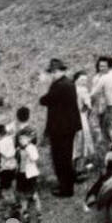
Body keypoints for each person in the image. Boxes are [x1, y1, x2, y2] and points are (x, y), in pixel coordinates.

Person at [37, 58, 81, 197]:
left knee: (60, 159)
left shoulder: (59, 85)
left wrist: (42, 85)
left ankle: (66, 189)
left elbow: (43, 100)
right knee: (65, 157)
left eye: (54, 71)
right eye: (52, 72)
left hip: (60, 128)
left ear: (61, 71)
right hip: (68, 126)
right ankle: (69, 181)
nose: (53, 74)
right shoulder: (68, 83)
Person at [15, 132, 45, 223]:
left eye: (23, 139)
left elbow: (35, 158)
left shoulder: (31, 147)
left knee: (34, 196)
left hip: (30, 176)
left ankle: (40, 218)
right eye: (19, 139)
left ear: (29, 139)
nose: (21, 141)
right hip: (21, 175)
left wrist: (27, 148)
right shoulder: (18, 149)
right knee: (22, 197)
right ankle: (25, 216)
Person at [0, 124, 18, 219]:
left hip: (5, 169)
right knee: (10, 187)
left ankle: (11, 209)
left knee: (5, 190)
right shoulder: (10, 139)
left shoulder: (0, 144)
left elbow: (0, 154)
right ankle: (14, 204)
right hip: (13, 167)